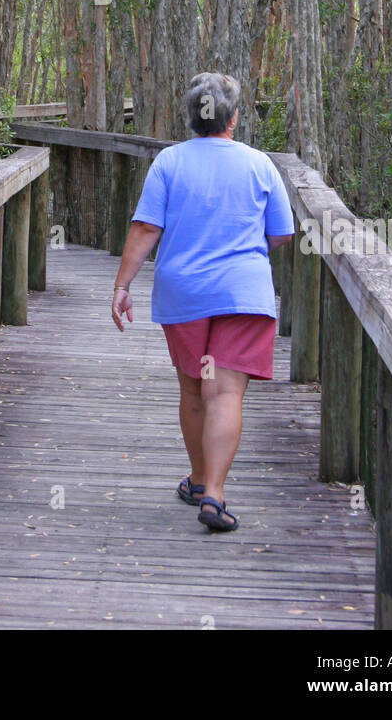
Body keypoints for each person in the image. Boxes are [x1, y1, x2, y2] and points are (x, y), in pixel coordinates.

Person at [111, 72, 294, 532]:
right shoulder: (260, 165)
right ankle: (214, 493)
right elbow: (281, 233)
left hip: (185, 292)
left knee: (195, 388)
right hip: (243, 296)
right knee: (226, 391)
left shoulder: (169, 163)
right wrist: (244, 258)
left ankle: (196, 479)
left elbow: (146, 228)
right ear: (232, 118)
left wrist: (122, 286)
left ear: (193, 119)